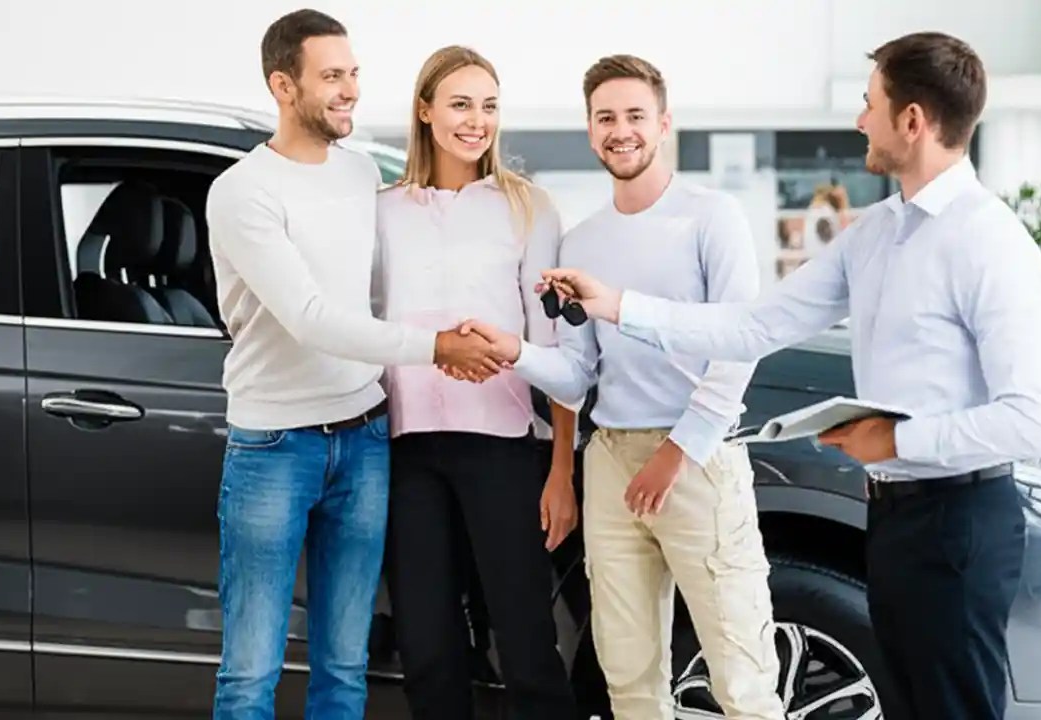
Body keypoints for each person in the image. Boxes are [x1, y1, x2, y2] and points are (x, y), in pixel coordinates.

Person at [533, 32, 1041, 720]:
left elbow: (1031, 418)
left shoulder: (988, 241)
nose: (858, 120)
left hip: (961, 519)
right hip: (896, 514)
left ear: (912, 120)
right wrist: (617, 305)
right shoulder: (879, 232)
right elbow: (753, 325)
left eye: (869, 104)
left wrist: (898, 440)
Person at [462, 54, 785, 720]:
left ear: (663, 123)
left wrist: (681, 449)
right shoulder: (581, 241)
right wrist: (514, 350)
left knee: (743, 680)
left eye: (636, 115)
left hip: (699, 461)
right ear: (589, 130)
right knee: (630, 680)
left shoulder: (712, 218)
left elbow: (740, 344)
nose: (621, 130)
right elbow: (578, 376)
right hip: (609, 464)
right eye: (605, 117)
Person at [204, 10, 502, 720]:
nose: (350, 91)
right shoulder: (244, 191)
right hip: (275, 447)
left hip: (364, 438)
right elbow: (310, 318)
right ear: (283, 85)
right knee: (250, 672)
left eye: (354, 73)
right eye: (331, 76)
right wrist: (438, 349)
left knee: (345, 669)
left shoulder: (361, 171)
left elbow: (382, 292)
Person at [371, 45, 579, 720]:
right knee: (427, 648)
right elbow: (366, 330)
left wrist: (560, 472)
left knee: (526, 643)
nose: (476, 121)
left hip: (503, 448)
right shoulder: (379, 212)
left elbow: (556, 351)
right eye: (460, 103)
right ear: (424, 110)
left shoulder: (529, 208)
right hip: (406, 454)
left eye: (489, 105)